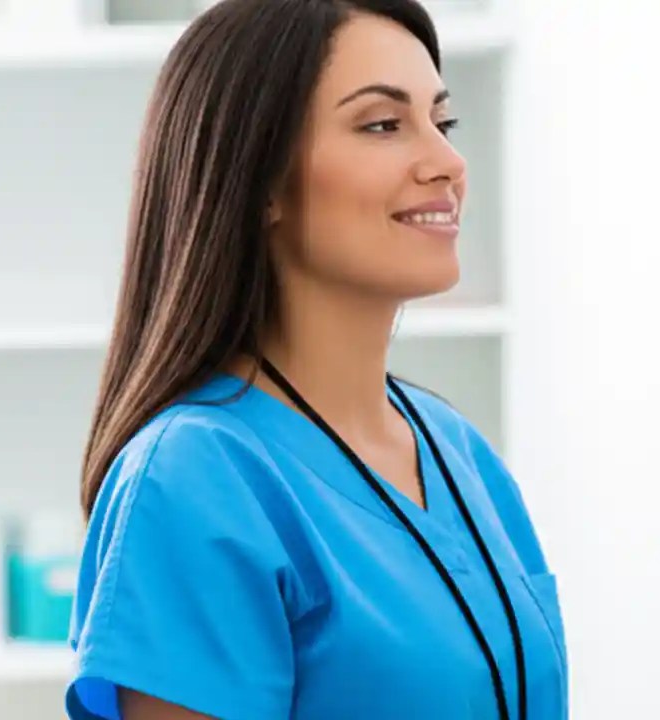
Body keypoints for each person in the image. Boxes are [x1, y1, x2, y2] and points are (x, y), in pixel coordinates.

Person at [65, 1, 566, 718]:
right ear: (261, 179)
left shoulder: (457, 451)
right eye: (383, 125)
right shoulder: (191, 479)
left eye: (443, 122)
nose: (448, 163)